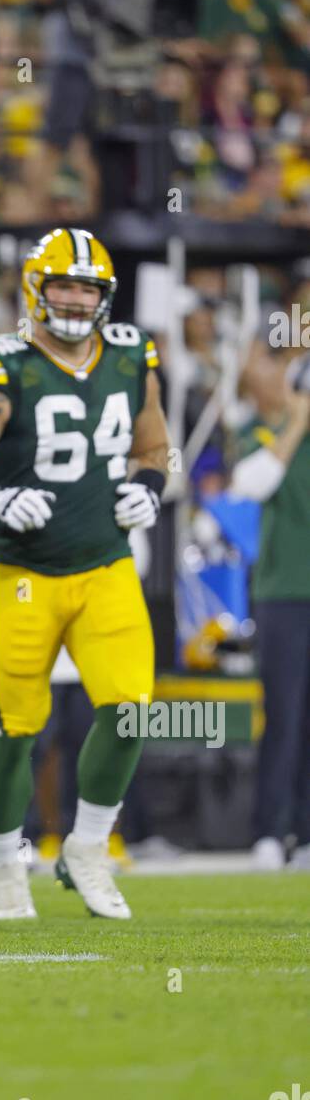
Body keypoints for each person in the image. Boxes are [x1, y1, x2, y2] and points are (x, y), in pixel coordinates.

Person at [0, 227, 169, 920]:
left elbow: (152, 440)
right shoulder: (2, 361)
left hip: (104, 563)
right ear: (35, 290)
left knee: (131, 708)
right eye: (63, 285)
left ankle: (84, 848)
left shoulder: (131, 353)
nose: (77, 300)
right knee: (14, 728)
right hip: (23, 571)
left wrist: (148, 483)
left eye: (88, 287)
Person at [230, 348, 310, 869]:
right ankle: (268, 829)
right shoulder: (257, 431)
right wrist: (297, 423)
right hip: (283, 591)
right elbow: (250, 484)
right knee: (282, 715)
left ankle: (304, 834)